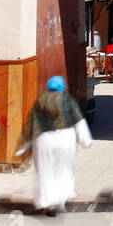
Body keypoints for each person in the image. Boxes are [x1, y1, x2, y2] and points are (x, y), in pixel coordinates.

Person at [17, 75, 92, 216]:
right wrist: (85, 140)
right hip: (65, 139)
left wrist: (24, 144)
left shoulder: (40, 101)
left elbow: (31, 123)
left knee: (46, 172)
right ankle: (60, 202)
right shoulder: (68, 101)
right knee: (63, 170)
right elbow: (79, 121)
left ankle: (49, 204)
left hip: (44, 140)